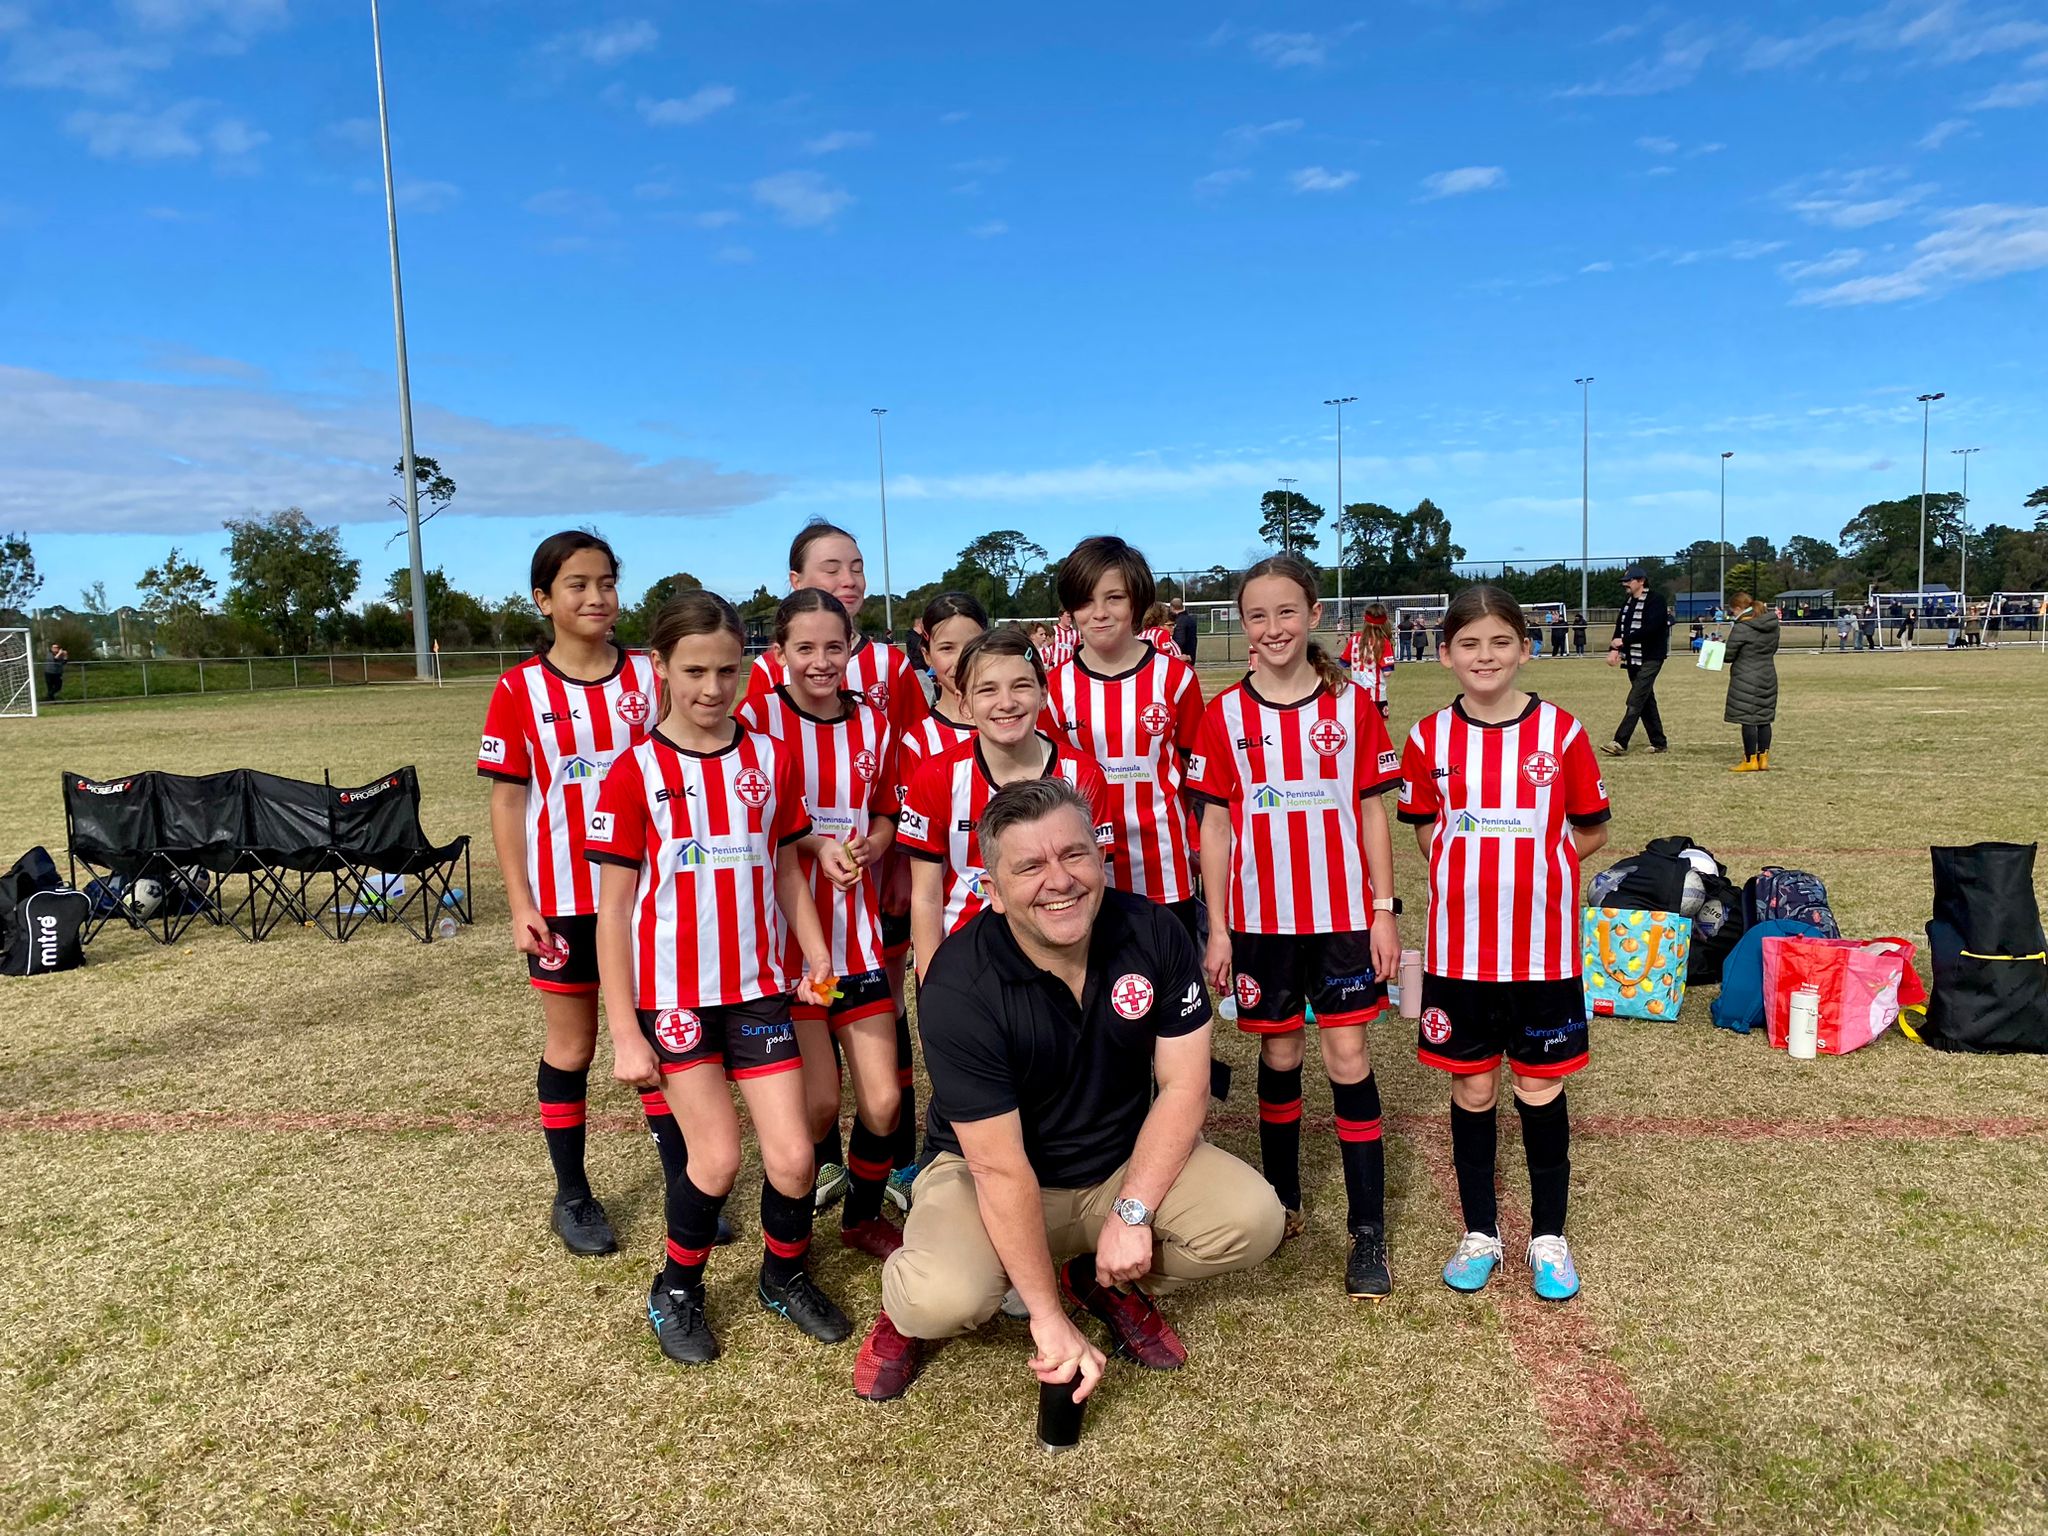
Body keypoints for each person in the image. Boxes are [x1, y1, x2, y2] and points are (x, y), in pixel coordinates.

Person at [854, 778, 1286, 1400]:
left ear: (1101, 857)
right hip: (986, 1179)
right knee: (939, 1298)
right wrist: (1049, 1323)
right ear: (995, 894)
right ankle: (911, 1310)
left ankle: (1095, 1275)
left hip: (1116, 1165)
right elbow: (1000, 1171)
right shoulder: (957, 985)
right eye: (1030, 866)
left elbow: (1185, 1085)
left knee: (1252, 1220)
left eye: (1074, 854)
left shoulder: (1156, 932)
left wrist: (1132, 1212)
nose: (1059, 880)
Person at [589, 589, 856, 1366]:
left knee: (797, 1156)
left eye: (728, 671)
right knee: (714, 1160)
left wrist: (816, 954)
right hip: (672, 1002)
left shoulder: (768, 757)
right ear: (660, 667)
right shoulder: (635, 771)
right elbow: (613, 915)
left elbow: (784, 868)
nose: (712, 689)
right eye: (695, 671)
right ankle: (676, 1289)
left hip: (758, 992)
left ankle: (783, 1276)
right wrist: (625, 1030)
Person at [1186, 553, 1403, 1297]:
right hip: (1260, 924)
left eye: (1287, 612)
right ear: (1241, 625)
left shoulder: (1352, 707)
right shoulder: (1224, 716)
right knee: (1278, 1061)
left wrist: (1382, 910)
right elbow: (1214, 827)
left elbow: (1373, 811)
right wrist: (1218, 928)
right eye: (1257, 615)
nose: (1273, 627)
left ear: (1313, 616)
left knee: (1347, 1057)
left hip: (1342, 921)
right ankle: (1281, 1205)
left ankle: (1367, 1231)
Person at [478, 531, 697, 1257]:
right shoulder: (518, 689)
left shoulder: (647, 674)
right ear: (543, 599)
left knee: (663, 1042)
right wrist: (519, 902)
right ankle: (572, 1196)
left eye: (606, 581)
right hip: (565, 897)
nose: (597, 596)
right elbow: (508, 804)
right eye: (577, 584)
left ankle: (685, 1187)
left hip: (648, 897)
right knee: (572, 1045)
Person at [1396, 585, 1611, 1303]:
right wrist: (1471, 870)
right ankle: (1480, 1232)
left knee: (1539, 1086)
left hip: (1542, 954)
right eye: (1468, 644)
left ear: (1524, 647)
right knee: (1474, 1085)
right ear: (1446, 653)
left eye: (1499, 642)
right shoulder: (1428, 739)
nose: (1484, 656)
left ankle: (1549, 1235)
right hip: (1461, 954)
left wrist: (1538, 868)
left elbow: (1593, 830)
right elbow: (1427, 829)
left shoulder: (1563, 733)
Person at [743, 519, 929, 1204]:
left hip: (859, 942)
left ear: (852, 647)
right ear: (781, 651)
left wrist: (878, 846)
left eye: (834, 647)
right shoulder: (757, 720)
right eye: (806, 648)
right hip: (794, 949)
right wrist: (814, 847)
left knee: (882, 1104)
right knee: (821, 1105)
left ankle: (860, 1215)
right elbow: (745, 818)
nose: (821, 661)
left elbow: (886, 809)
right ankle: (788, 1228)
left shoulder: (873, 724)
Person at [899, 623, 1119, 974]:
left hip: (1064, 959)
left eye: (1021, 685)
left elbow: (1098, 878)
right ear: (965, 704)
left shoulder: (1083, 773)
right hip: (971, 961)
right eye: (987, 690)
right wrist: (931, 988)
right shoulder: (936, 776)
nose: (1007, 702)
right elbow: (925, 897)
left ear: (1043, 694)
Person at [1044, 536, 1206, 937]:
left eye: (1113, 598)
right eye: (1085, 600)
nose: (1099, 613)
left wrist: (1199, 846)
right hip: (1083, 876)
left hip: (1165, 869)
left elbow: (1198, 780)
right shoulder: (1053, 689)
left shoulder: (1176, 679)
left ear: (1136, 601)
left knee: (1171, 988)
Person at [1602, 565, 1670, 757]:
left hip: (1652, 656)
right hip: (1633, 658)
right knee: (1646, 700)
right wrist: (1614, 649)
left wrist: (1624, 641)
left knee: (1636, 698)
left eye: (1629, 581)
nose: (1625, 585)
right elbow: (1620, 627)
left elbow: (1652, 628)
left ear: (1641, 581)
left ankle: (1620, 741)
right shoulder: (1628, 602)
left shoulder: (1656, 600)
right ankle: (1659, 742)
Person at [1722, 591, 1780, 772]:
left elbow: (1728, 655)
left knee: (1748, 719)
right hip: (1767, 673)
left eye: (1733, 611)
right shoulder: (1772, 625)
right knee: (1764, 718)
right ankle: (1763, 758)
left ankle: (1749, 759)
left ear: (1739, 608)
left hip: (1746, 676)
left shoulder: (1742, 627)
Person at [1339, 602, 1396, 719]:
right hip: (1376, 694)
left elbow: (1343, 664)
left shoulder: (1354, 639)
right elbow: (1387, 672)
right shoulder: (1383, 642)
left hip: (1356, 693)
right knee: (1376, 730)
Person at [1171, 597, 1199, 664]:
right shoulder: (1191, 620)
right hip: (1191, 656)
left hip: (1182, 658)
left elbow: (1179, 640)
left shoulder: (1178, 621)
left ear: (1172, 607)